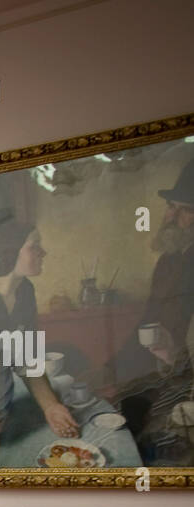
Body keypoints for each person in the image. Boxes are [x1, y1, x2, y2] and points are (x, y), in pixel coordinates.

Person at [113, 156, 194, 464]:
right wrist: (112, 367)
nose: (170, 217)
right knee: (122, 410)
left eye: (184, 209)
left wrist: (175, 359)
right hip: (157, 368)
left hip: (183, 377)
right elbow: (147, 320)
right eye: (170, 206)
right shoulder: (168, 261)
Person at [0, 220, 78, 439]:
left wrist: (51, 407)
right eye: (34, 246)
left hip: (4, 412)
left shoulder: (24, 292)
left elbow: (27, 360)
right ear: (10, 251)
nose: (44, 252)